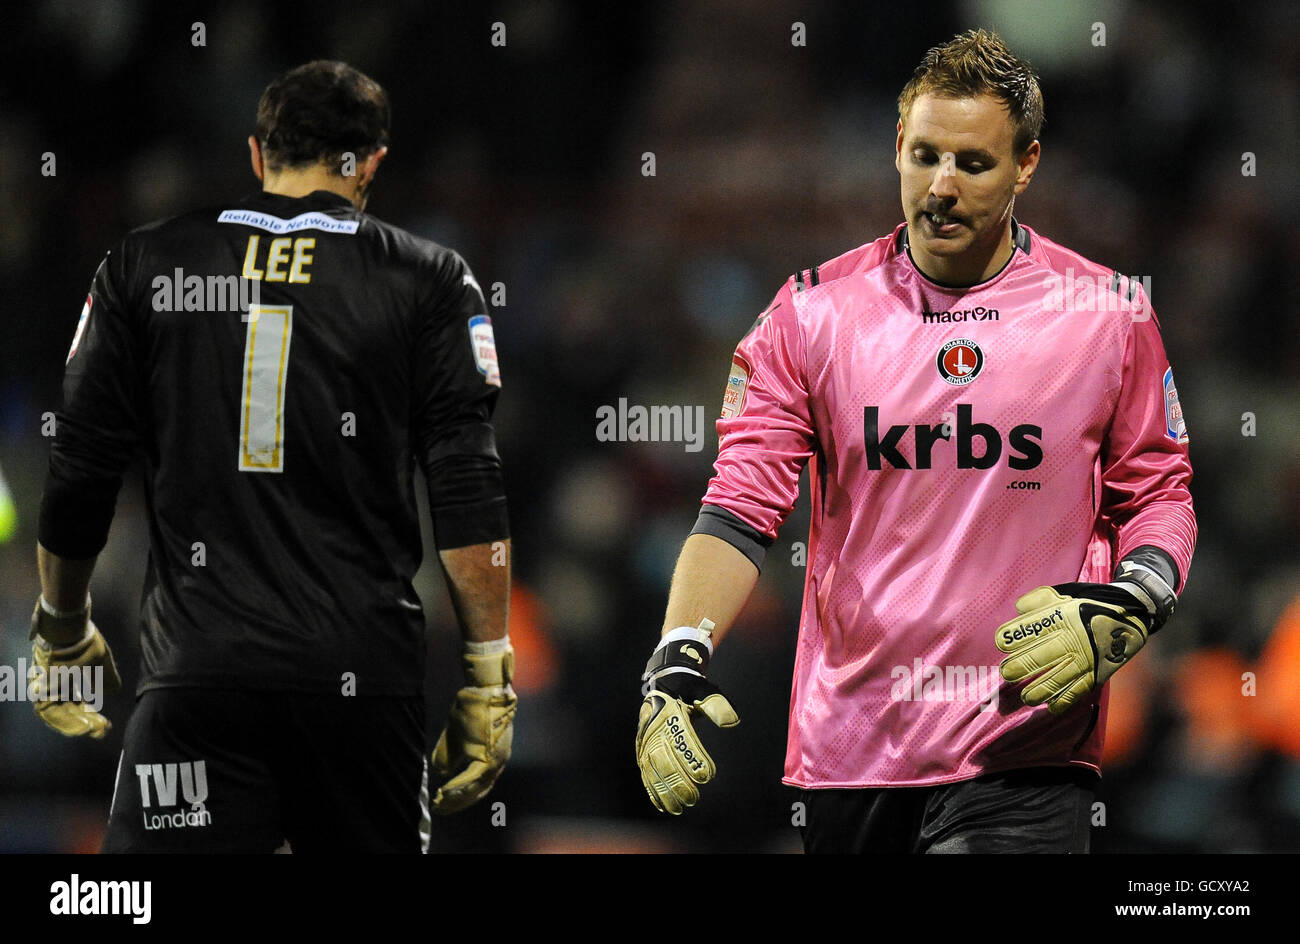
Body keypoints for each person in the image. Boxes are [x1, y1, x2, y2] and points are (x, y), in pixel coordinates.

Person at [635, 29, 1196, 854]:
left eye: (972, 164)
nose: (940, 186)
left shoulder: (1107, 317)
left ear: (1027, 164)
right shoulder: (810, 315)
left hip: (1023, 751)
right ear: (897, 145)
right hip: (851, 753)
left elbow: (1159, 495)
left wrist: (1137, 599)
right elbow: (737, 511)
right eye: (923, 155)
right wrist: (676, 657)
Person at [31, 60, 515, 853]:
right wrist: (487, 670)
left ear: (257, 155)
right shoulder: (428, 279)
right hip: (359, 682)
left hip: (198, 674)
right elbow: (469, 487)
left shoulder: (146, 265)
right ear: (373, 164)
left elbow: (81, 462)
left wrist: (61, 622)